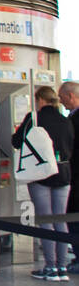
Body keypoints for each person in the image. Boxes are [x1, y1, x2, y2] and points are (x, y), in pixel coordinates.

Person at [12, 85, 73, 281]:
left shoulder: (34, 118)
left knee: (46, 220)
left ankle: (50, 267)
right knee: (60, 220)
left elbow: (16, 141)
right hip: (63, 174)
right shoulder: (66, 120)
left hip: (41, 175)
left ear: (39, 100)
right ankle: (62, 267)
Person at [60, 80, 79, 268]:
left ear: (70, 96)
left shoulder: (73, 121)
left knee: (73, 217)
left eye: (62, 97)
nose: (60, 101)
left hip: (75, 177)